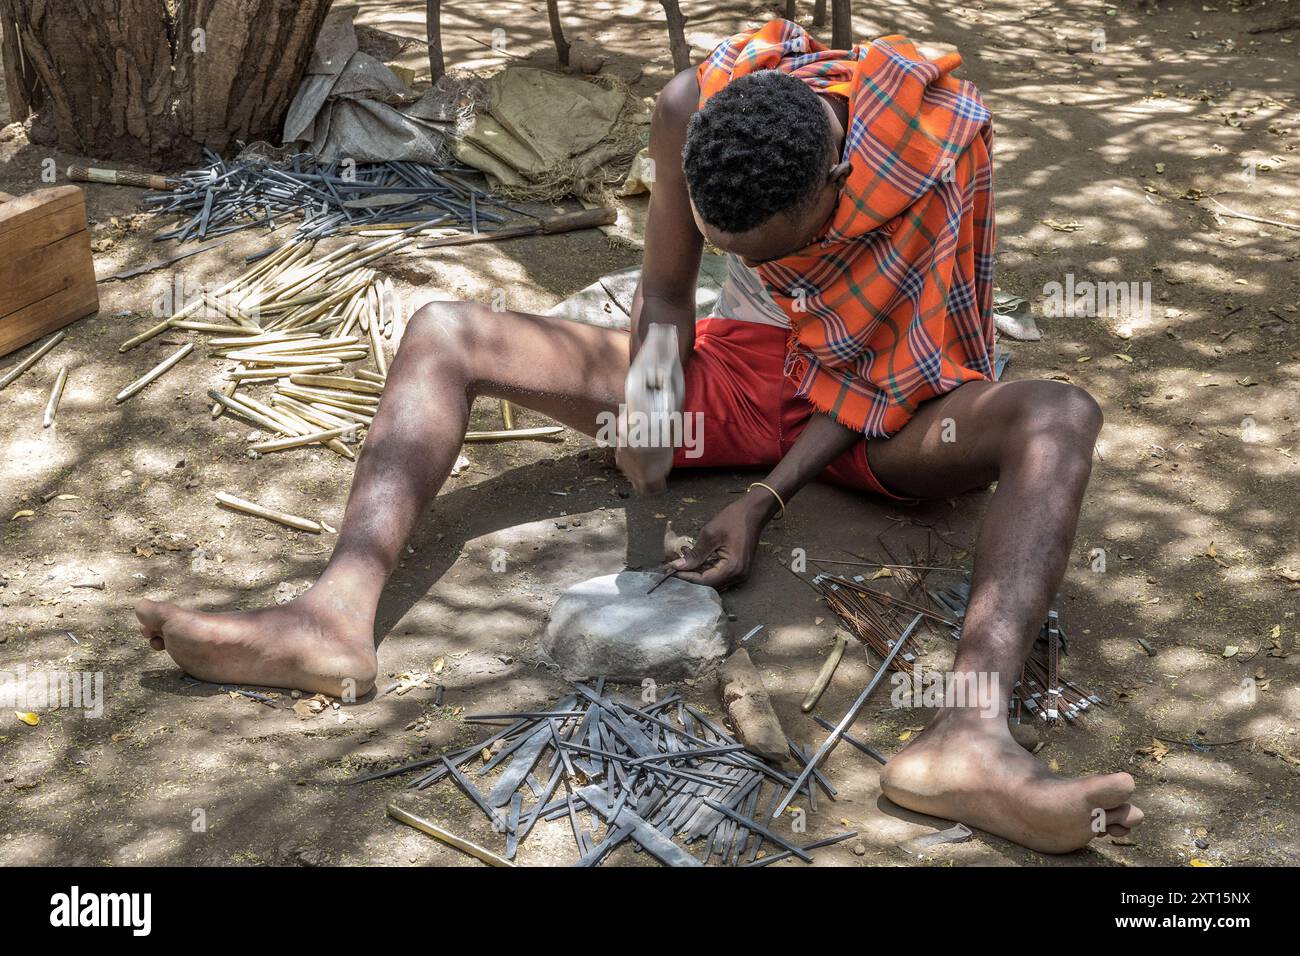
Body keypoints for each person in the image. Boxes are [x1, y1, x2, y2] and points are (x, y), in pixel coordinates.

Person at [138, 19, 1142, 853]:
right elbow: (667, 291)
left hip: (889, 414)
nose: (747, 258)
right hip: (745, 361)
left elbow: (899, 370)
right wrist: (659, 399)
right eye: (727, 242)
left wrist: (763, 498)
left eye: (775, 250)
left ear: (838, 185)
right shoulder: (689, 107)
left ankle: (967, 734)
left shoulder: (937, 142)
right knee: (445, 332)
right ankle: (333, 615)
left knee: (1058, 413)